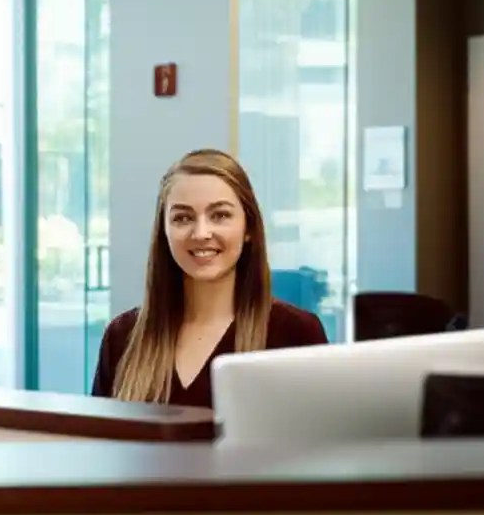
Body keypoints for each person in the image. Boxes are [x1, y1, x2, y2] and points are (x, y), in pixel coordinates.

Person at [91, 149, 327, 408]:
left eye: (220, 215)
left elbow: (324, 445)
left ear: (248, 228)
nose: (201, 232)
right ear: (164, 231)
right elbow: (100, 444)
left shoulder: (296, 334)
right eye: (183, 218)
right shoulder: (122, 336)